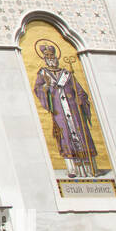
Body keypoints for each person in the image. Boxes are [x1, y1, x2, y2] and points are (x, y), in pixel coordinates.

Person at [31, 39, 99, 178]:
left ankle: (90, 168)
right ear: (45, 58)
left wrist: (81, 98)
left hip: (74, 111)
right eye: (48, 56)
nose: (51, 59)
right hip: (59, 111)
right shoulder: (43, 73)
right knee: (64, 137)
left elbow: (79, 90)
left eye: (52, 56)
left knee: (82, 135)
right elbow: (38, 89)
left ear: (56, 57)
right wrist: (46, 87)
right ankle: (72, 169)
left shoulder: (67, 73)